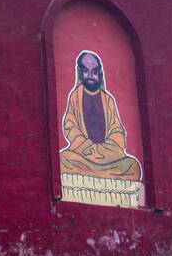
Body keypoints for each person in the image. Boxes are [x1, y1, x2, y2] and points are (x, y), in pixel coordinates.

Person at [59, 50, 144, 207]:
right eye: (86, 71)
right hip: (83, 156)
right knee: (62, 160)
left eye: (94, 71)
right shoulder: (75, 97)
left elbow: (117, 130)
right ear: (80, 73)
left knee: (133, 167)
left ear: (100, 73)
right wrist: (88, 147)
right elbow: (69, 126)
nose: (90, 75)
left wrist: (104, 150)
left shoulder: (108, 100)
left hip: (109, 157)